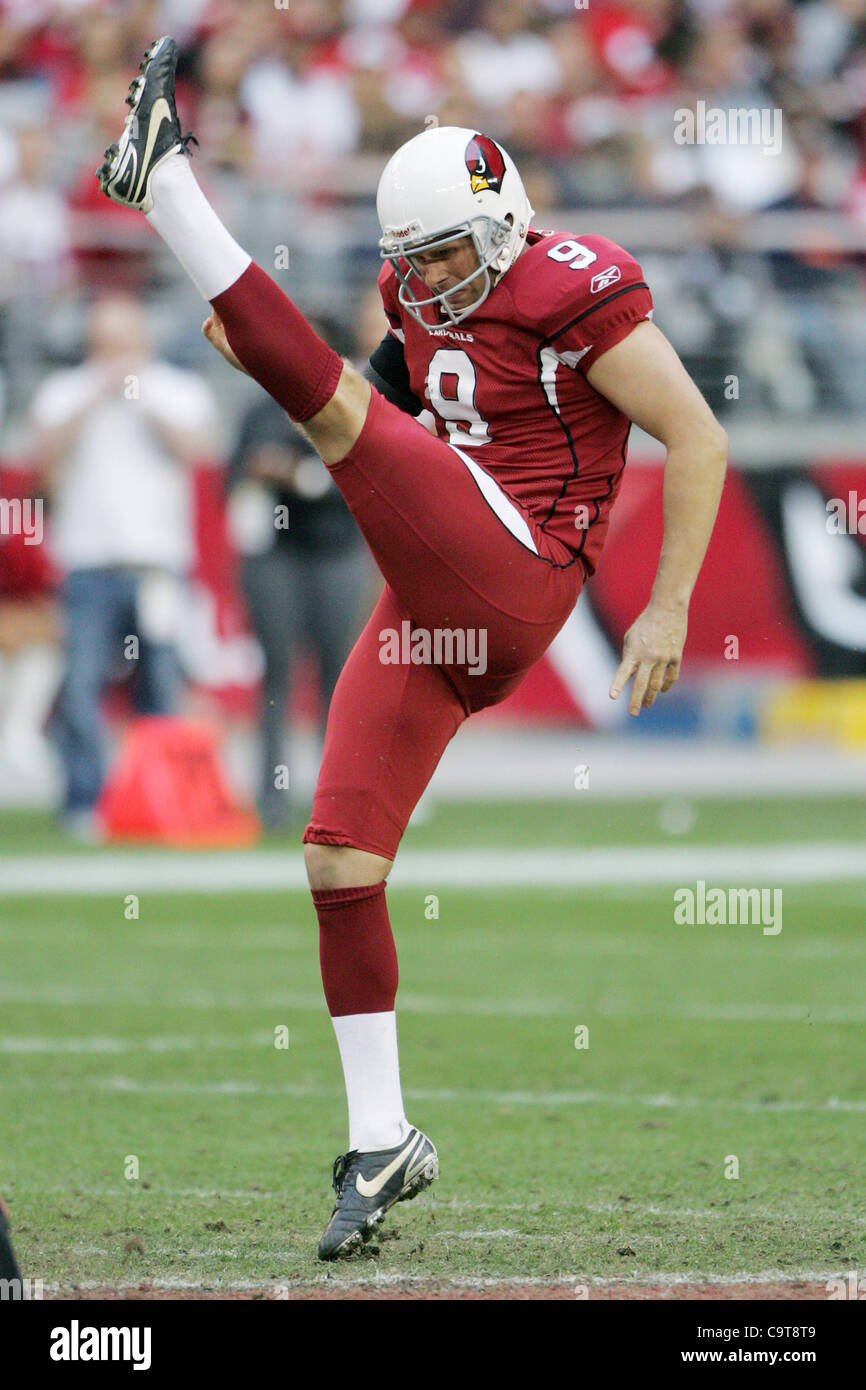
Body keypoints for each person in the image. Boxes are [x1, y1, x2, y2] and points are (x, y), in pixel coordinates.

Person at [97, 37, 727, 1259]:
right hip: (429, 592)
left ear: (501, 223)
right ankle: (382, 1136)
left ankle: (167, 180)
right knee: (337, 859)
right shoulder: (411, 296)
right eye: (408, 257)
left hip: (520, 575)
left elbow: (695, 439)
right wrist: (281, 361)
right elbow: (380, 408)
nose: (426, 276)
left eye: (443, 249)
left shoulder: (572, 288)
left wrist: (666, 606)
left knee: (325, 406)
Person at [31, 292, 216, 838]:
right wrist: (95, 397)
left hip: (157, 563)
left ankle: (158, 799)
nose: (114, 353)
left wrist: (137, 396)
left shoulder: (176, 390)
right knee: (82, 685)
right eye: (105, 343)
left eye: (124, 342)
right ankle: (84, 800)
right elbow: (43, 466)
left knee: (160, 685)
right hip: (88, 561)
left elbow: (195, 454)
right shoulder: (65, 391)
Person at [227, 394, 367, 829]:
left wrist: (296, 475)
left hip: (337, 552)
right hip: (275, 556)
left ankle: (339, 798)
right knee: (277, 677)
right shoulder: (260, 412)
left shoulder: (346, 402)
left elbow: (357, 482)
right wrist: (261, 477)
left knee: (339, 679)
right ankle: (272, 797)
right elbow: (232, 486)